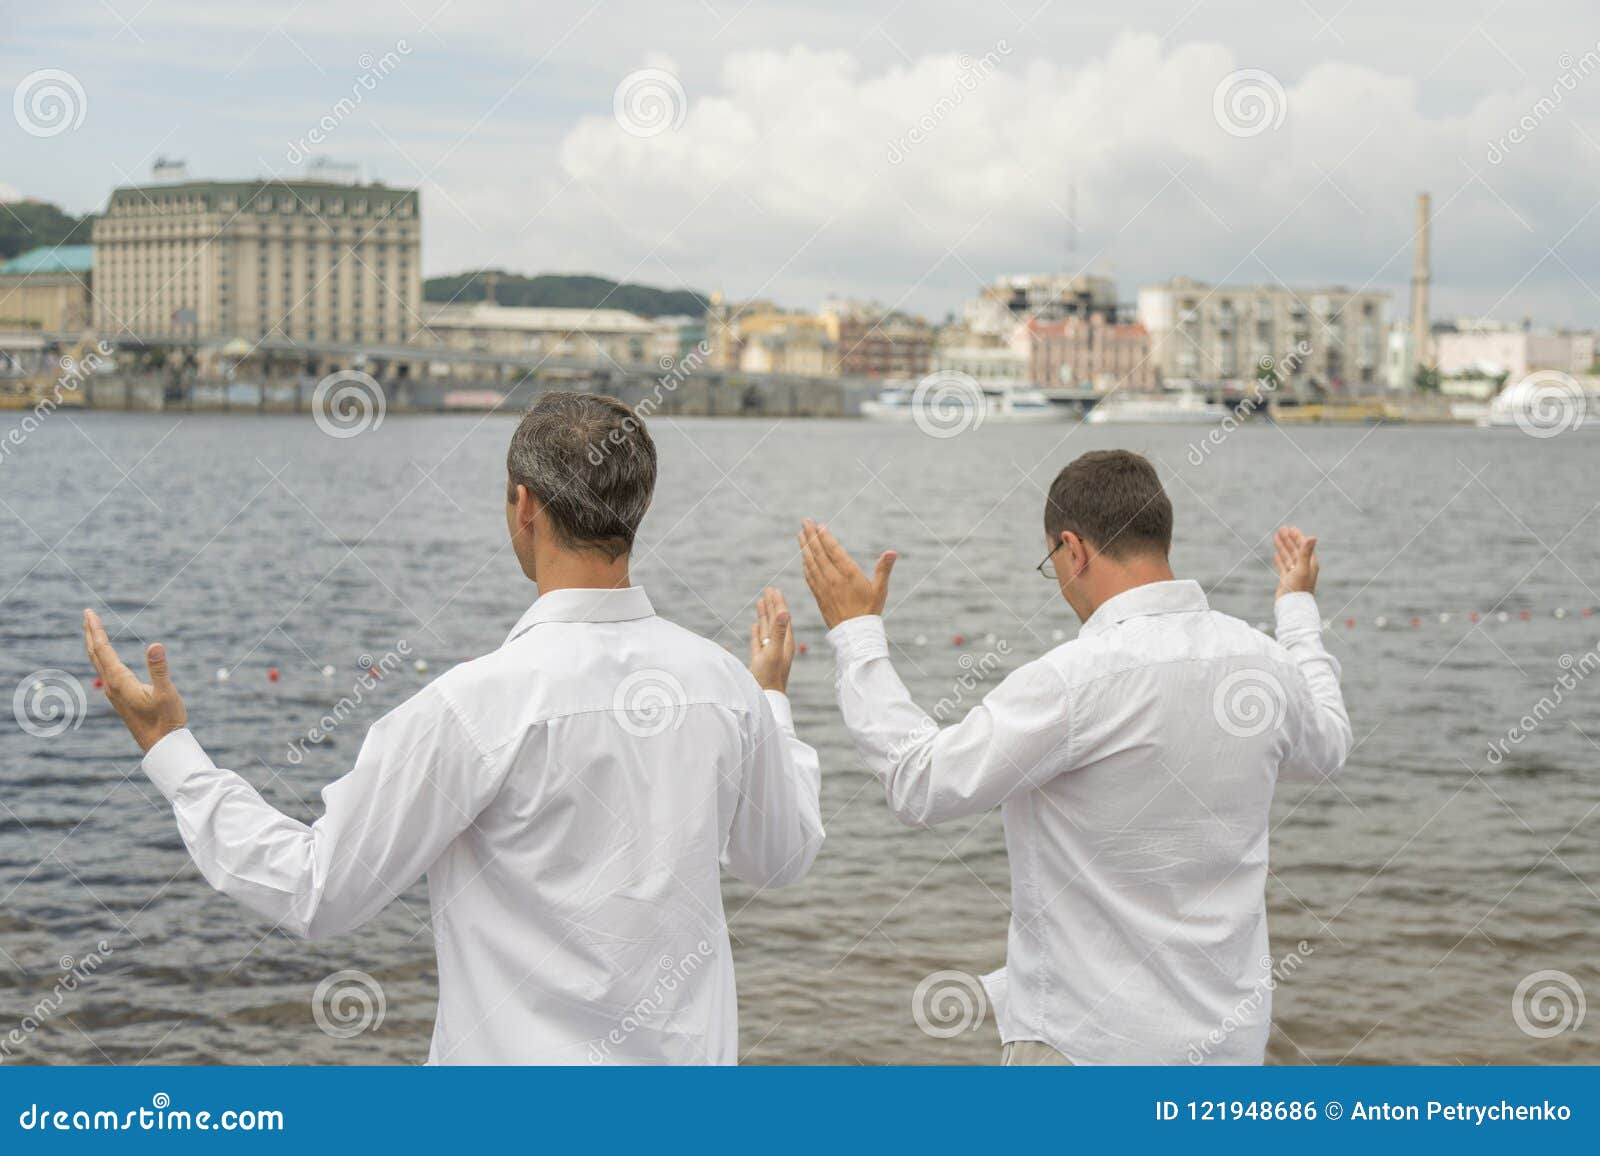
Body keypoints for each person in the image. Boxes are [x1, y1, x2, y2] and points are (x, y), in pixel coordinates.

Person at [83, 391, 824, 1065]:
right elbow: (780, 859)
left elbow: (319, 890)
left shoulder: (473, 706)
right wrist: (773, 700)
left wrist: (171, 750)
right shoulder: (723, 687)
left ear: (523, 507)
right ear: (639, 507)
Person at [797, 449, 1350, 1065]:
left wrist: (856, 632)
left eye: (1051, 564)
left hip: (1087, 1051)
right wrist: (1296, 611)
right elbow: (1328, 747)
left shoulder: (1077, 679)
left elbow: (920, 783)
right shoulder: (1262, 663)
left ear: (1073, 549)